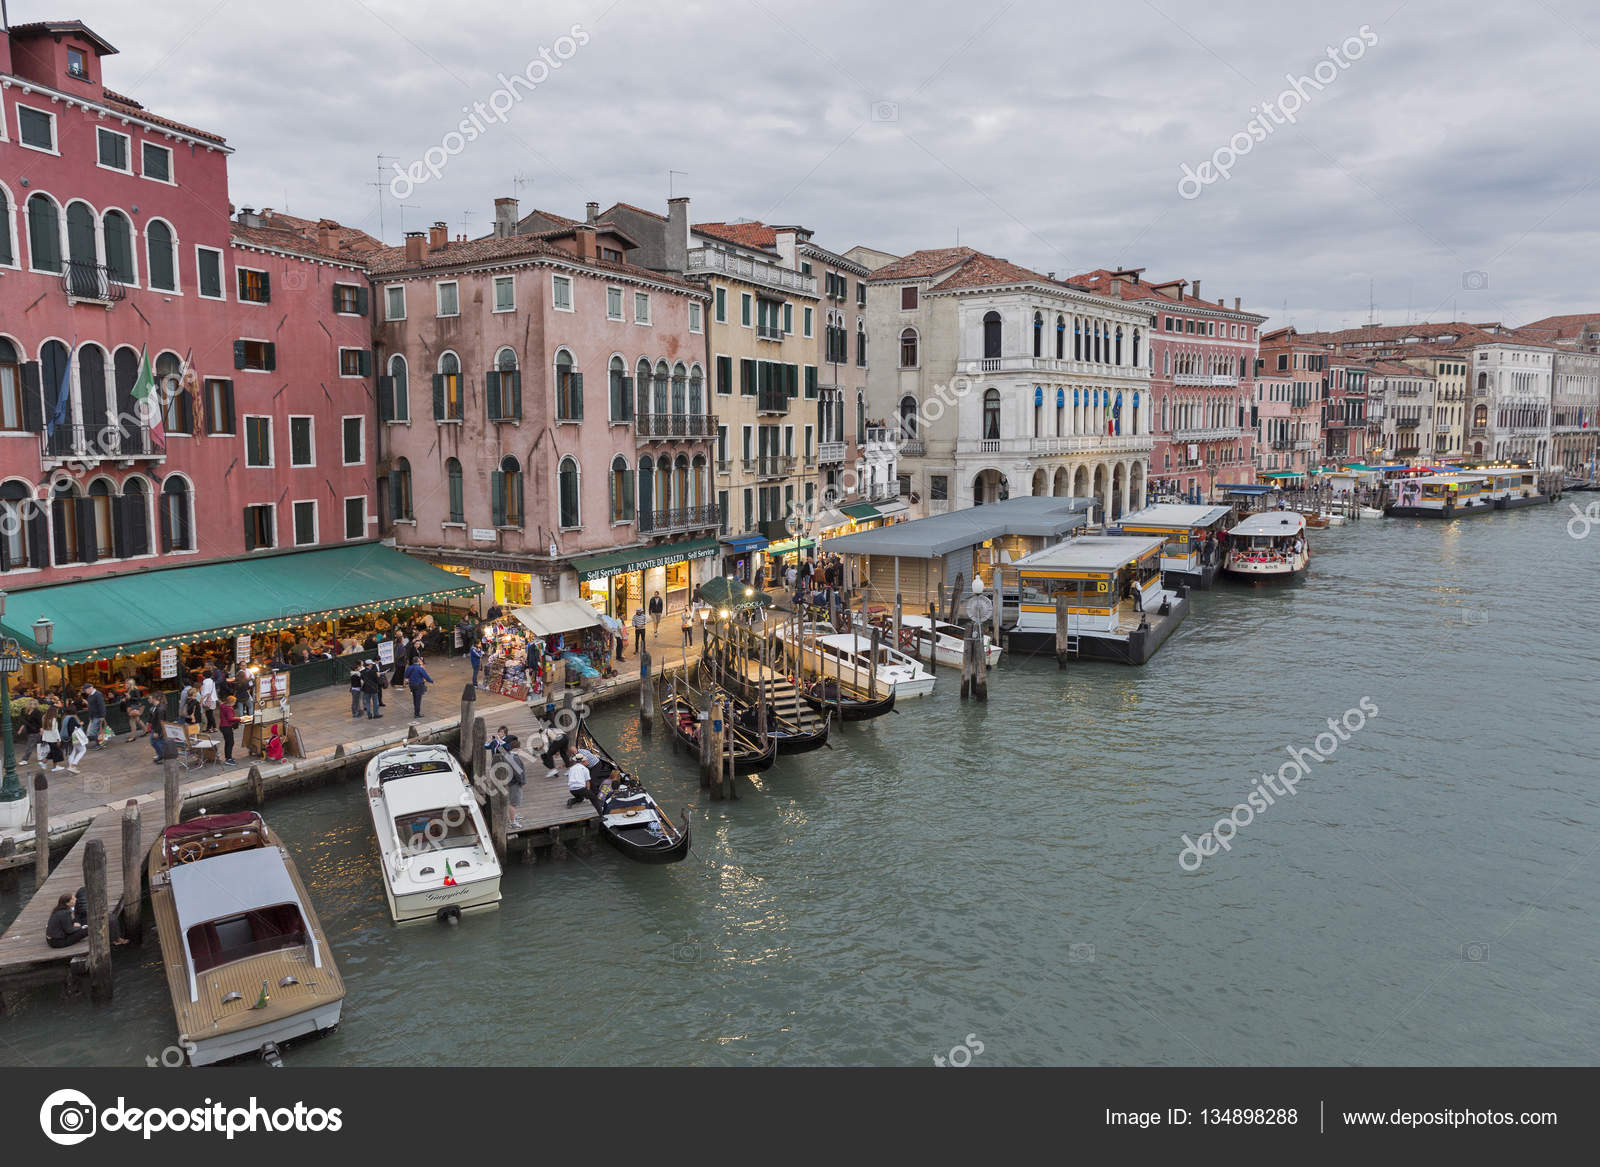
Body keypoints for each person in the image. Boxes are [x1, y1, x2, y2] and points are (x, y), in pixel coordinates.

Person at [82, 684, 107, 750]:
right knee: (97, 731)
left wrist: (102, 716)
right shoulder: (91, 695)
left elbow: (101, 705)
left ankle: (99, 745)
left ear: (90, 688)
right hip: (94, 716)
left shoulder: (97, 694)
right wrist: (90, 716)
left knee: (93, 731)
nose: (85, 692)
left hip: (98, 716)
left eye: (85, 690)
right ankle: (100, 743)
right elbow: (91, 706)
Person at [218, 696, 240, 766]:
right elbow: (230, 718)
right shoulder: (229, 709)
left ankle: (228, 757)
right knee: (230, 742)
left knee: (228, 742)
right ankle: (228, 759)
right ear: (232, 702)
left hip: (222, 726)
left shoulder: (223, 706)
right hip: (227, 727)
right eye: (234, 702)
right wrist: (239, 719)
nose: (235, 703)